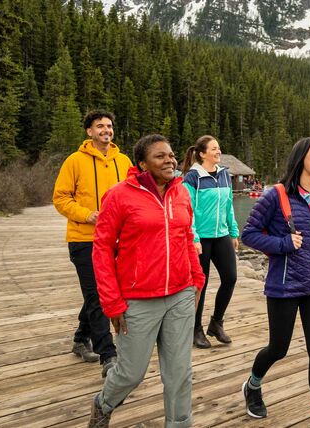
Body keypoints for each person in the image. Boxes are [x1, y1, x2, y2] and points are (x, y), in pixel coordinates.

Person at [87, 134, 206, 428]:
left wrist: (197, 278)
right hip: (137, 299)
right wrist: (112, 303)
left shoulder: (181, 193)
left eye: (172, 155)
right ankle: (103, 403)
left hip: (180, 294)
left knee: (180, 372)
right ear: (142, 164)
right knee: (131, 372)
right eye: (160, 156)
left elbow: (186, 237)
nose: (170, 160)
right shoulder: (119, 196)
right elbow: (102, 250)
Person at [240, 137, 310, 428]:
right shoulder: (276, 195)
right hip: (283, 287)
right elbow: (249, 234)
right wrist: (283, 243)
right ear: (301, 158)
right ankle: (253, 385)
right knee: (278, 349)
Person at [52, 111, 132, 375]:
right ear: (89, 131)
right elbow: (60, 198)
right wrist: (87, 215)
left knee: (99, 292)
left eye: (109, 126)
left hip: (118, 239)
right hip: (84, 239)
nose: (106, 130)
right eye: (100, 126)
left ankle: (80, 338)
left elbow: (133, 197)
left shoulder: (124, 161)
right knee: (97, 294)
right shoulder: (75, 161)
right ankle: (108, 356)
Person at [180, 135, 240, 349]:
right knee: (200, 285)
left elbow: (228, 205)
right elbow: (188, 210)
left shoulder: (224, 174)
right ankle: (196, 329)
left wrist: (233, 232)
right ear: (202, 153)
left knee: (230, 277)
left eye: (219, 147)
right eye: (214, 148)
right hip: (201, 239)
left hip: (221, 235)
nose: (218, 151)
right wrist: (194, 237)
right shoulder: (192, 177)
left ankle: (216, 322)